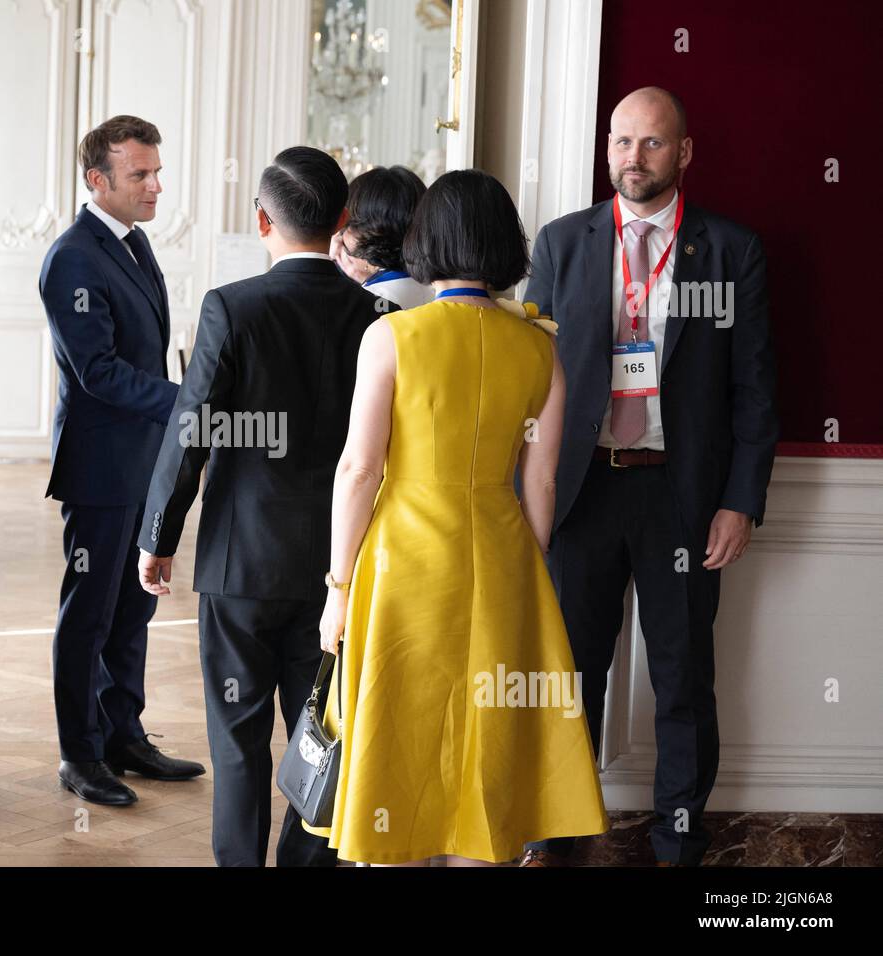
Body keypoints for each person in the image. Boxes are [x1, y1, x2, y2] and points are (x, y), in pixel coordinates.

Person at [311, 169, 609, 866]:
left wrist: (338, 587)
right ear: (506, 245)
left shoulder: (393, 338)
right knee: (488, 735)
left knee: (399, 734)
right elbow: (540, 481)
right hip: (502, 557)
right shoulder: (540, 347)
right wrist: (522, 560)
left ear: (425, 240)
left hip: (402, 565)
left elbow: (358, 470)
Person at [520, 87, 777, 867]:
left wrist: (740, 502)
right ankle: (558, 830)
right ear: (607, 147)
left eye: (653, 143)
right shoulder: (563, 244)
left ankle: (678, 839)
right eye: (622, 141)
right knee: (569, 675)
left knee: (682, 677)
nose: (634, 158)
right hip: (582, 493)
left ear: (684, 152)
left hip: (682, 497)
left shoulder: (731, 251)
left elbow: (755, 389)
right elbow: (530, 380)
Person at [138, 147, 390, 867]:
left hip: (241, 563)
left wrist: (160, 534)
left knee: (239, 741)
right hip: (340, 566)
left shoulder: (233, 306)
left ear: (261, 221)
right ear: (343, 222)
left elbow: (191, 433)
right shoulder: (379, 316)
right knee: (325, 734)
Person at [39, 115, 203, 807]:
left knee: (133, 606)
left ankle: (122, 735)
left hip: (143, 457)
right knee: (90, 613)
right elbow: (99, 373)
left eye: (157, 171)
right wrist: (189, 399)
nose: (156, 185)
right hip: (102, 463)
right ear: (96, 180)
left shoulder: (132, 243)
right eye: (140, 174)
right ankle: (79, 756)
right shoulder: (73, 257)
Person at [330, 165, 434, 310]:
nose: (341, 235)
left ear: (370, 230)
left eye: (348, 224)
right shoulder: (435, 290)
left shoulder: (365, 302)